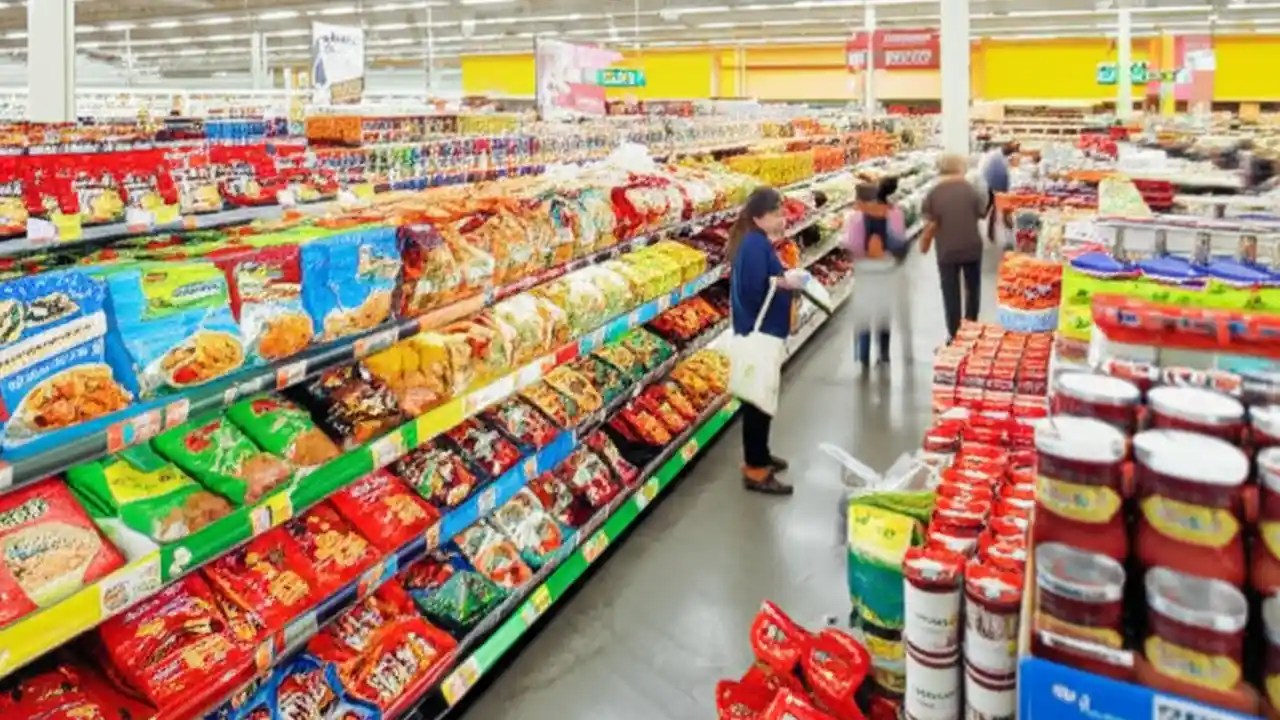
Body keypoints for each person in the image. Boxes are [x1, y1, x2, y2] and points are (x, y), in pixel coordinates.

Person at [728, 186, 806, 496]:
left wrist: (782, 280)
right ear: (759, 217)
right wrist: (785, 283)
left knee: (760, 399)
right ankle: (756, 470)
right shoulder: (753, 246)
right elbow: (752, 292)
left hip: (759, 333)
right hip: (758, 335)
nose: (782, 219)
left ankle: (760, 455)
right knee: (759, 402)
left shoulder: (755, 241)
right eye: (776, 214)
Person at [920, 153, 987, 342]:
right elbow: (982, 213)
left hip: (947, 249)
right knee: (973, 288)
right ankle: (972, 326)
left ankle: (954, 332)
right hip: (972, 247)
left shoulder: (933, 193)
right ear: (960, 167)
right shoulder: (971, 189)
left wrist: (925, 242)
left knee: (950, 291)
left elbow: (928, 220)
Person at [843, 178, 907, 369]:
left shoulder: (855, 217)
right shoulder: (894, 213)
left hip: (865, 269)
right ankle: (884, 354)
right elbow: (900, 239)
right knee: (883, 312)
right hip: (887, 267)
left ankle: (863, 356)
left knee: (864, 313)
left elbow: (852, 245)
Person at [981, 141, 1016, 242]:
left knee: (993, 210)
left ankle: (995, 232)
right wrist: (1004, 191)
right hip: (995, 188)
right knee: (997, 210)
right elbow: (1000, 176)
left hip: (991, 186)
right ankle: (1005, 230)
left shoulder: (996, 155)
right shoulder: (998, 159)